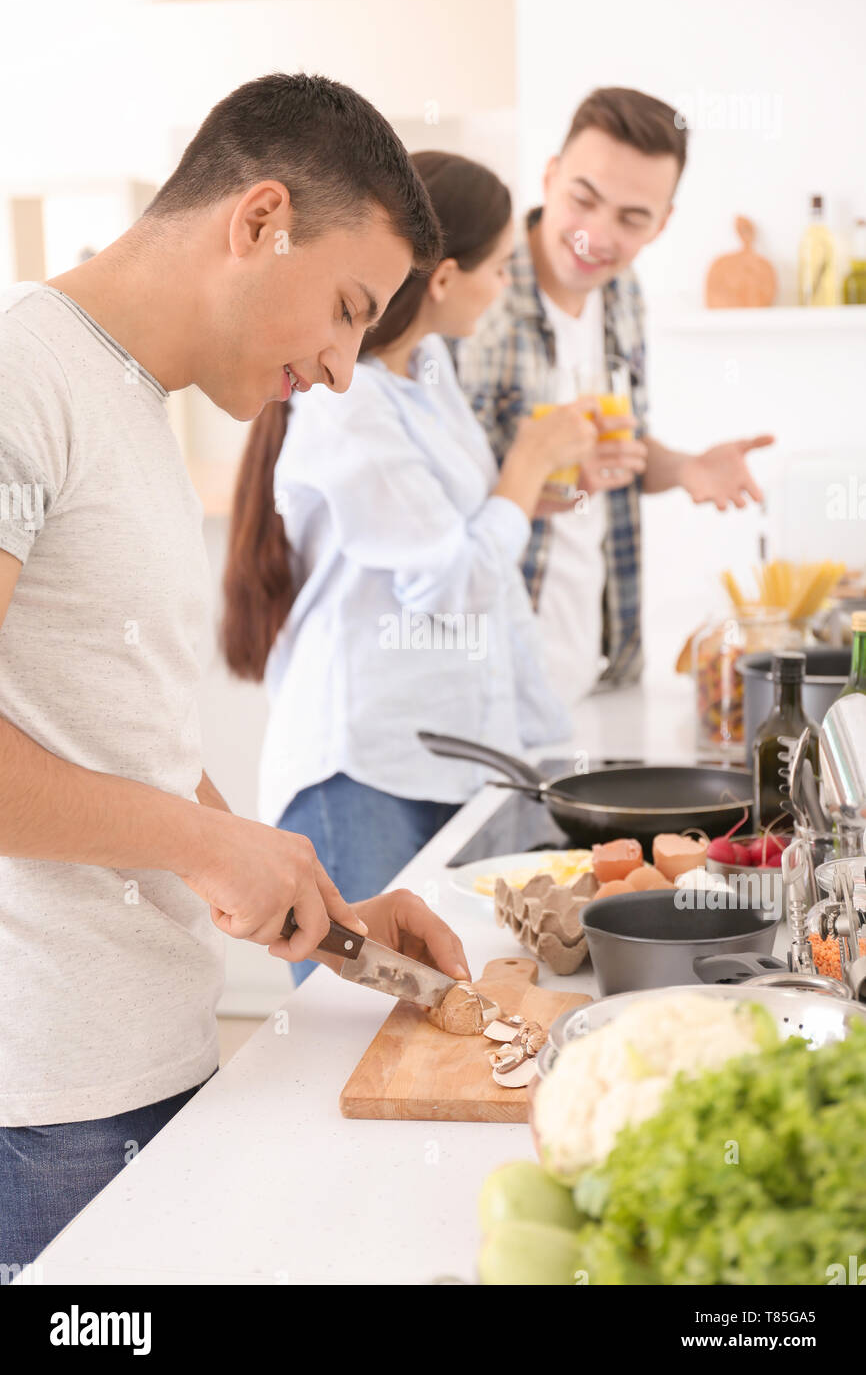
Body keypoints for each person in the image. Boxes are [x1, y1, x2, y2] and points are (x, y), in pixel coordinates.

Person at [0, 73, 474, 1272]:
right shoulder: (19, 374)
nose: (341, 367)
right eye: (347, 308)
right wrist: (209, 847)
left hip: (141, 1060)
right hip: (41, 1101)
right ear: (260, 219)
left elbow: (110, 742)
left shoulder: (132, 403)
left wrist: (325, 906)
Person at [222, 152, 631, 985]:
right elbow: (442, 584)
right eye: (502, 267)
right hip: (365, 767)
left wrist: (539, 494)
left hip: (444, 751)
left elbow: (446, 529)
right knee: (367, 1020)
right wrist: (522, 470)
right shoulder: (351, 400)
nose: (509, 283)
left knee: (444, 995)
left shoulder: (428, 377)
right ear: (442, 279)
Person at [455, 86, 774, 713]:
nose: (596, 236)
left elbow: (617, 454)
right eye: (584, 199)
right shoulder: (474, 296)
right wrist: (555, 479)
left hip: (592, 671)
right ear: (549, 176)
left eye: (633, 218)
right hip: (486, 678)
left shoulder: (623, 293)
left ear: (663, 223)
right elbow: (438, 502)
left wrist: (682, 467)